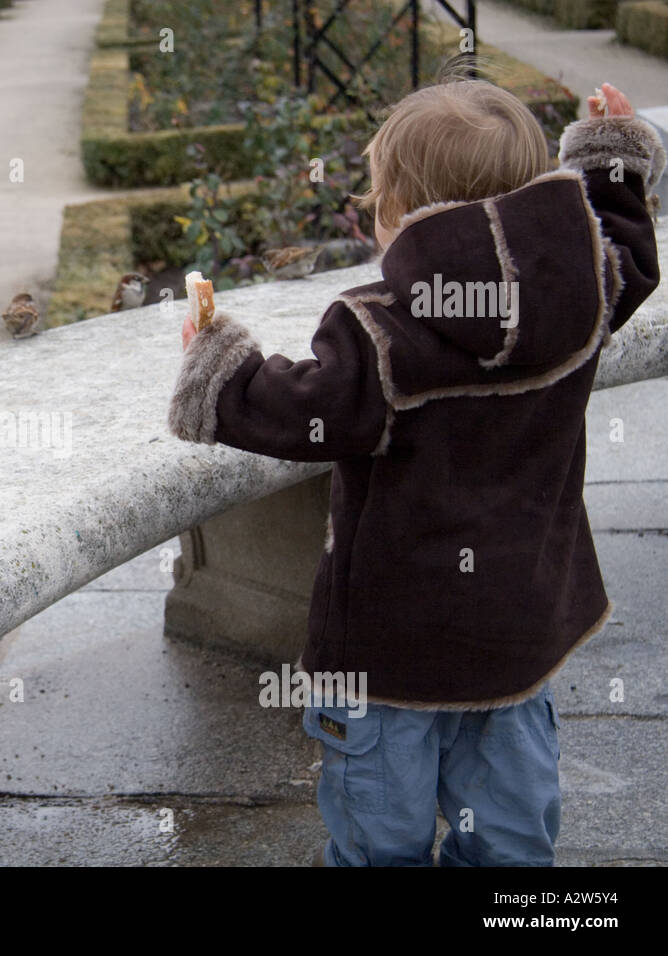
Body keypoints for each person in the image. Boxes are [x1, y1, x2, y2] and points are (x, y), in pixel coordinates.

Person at [167, 76, 664, 865]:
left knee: (380, 842)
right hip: (517, 636)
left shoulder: (381, 332)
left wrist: (217, 367)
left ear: (401, 212)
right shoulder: (582, 292)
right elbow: (631, 255)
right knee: (508, 837)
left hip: (389, 653)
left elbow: (299, 410)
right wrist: (611, 159)